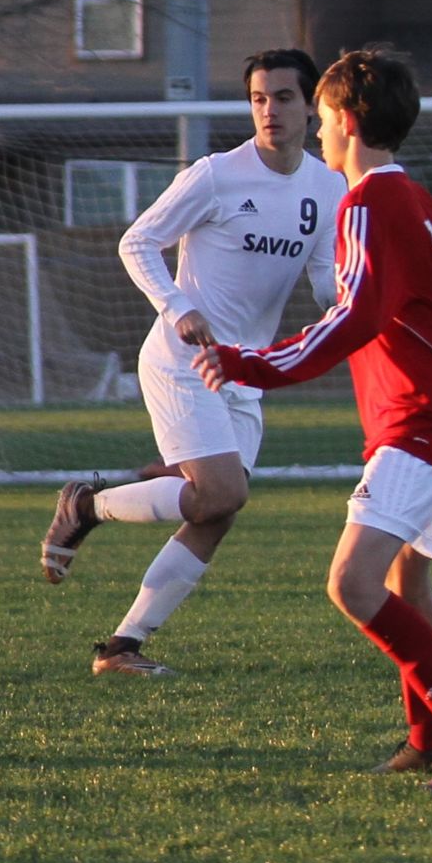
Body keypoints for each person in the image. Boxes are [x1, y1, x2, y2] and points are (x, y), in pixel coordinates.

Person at [39, 49, 342, 675]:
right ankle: (87, 506)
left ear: (311, 107)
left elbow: (323, 279)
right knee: (221, 492)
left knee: (217, 511)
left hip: (243, 371)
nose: (269, 111)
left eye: (283, 98)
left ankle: (123, 647)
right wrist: (177, 306)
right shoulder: (215, 175)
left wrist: (355, 299)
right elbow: (138, 241)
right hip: (183, 360)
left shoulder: (328, 185)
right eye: (259, 99)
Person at [196, 49, 432, 778]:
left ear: (345, 120)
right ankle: (427, 739)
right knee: (408, 583)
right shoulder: (419, 201)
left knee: (353, 583)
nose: (316, 132)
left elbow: (350, 319)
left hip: (419, 425)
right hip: (422, 418)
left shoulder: (367, 202)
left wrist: (246, 361)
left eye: (323, 116)